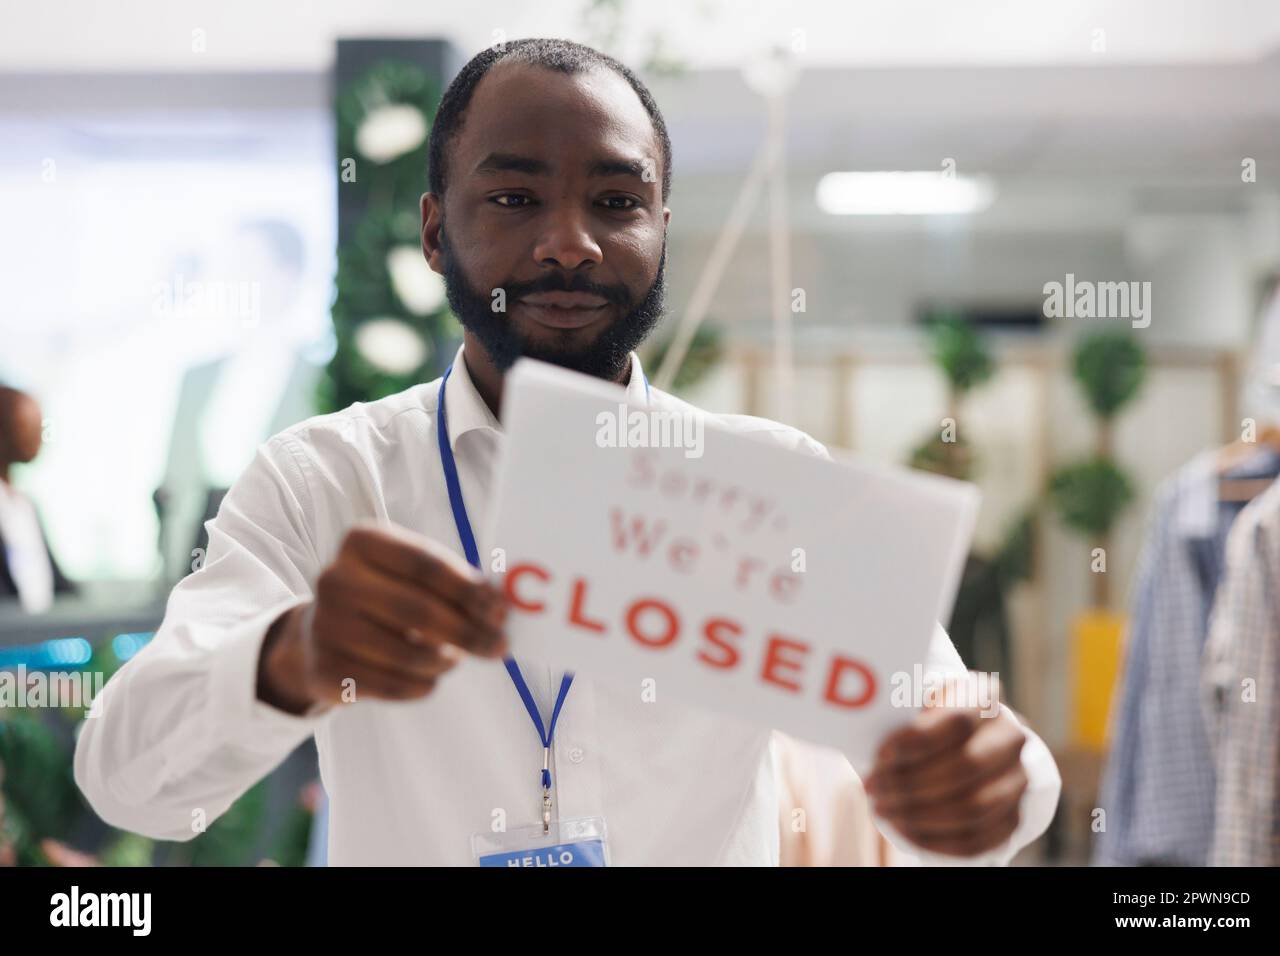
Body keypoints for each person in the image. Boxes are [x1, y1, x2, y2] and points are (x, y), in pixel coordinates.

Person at [75, 38, 1059, 866]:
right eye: (513, 198)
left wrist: (987, 780)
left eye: (617, 202)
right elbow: (126, 777)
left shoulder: (769, 487)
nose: (570, 244)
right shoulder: (326, 481)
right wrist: (294, 654)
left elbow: (966, 734)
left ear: (662, 230)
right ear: (432, 231)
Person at [0, 385, 76, 612]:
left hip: (38, 636)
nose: (38, 435)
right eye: (27, 423)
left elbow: (57, 584)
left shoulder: (25, 506)